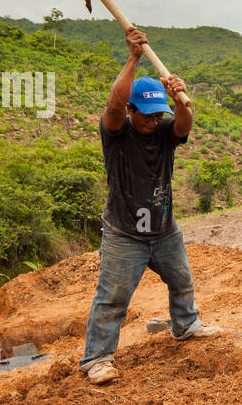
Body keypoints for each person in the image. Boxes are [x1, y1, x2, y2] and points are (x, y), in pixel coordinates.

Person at [79, 26, 221, 384]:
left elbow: (185, 122)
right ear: (131, 110)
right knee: (112, 298)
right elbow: (112, 103)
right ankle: (97, 359)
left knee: (182, 281)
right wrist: (133, 57)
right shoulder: (116, 132)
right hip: (125, 233)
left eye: (159, 114)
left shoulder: (163, 130)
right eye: (147, 114)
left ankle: (185, 325)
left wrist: (178, 98)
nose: (154, 120)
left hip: (163, 227)